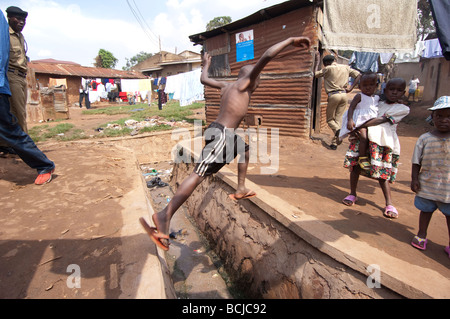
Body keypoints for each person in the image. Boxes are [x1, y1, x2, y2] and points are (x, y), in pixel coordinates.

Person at [140, 36, 311, 251]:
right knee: (197, 174)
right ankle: (164, 215)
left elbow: (204, 80)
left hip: (222, 134)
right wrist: (291, 40)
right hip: (221, 134)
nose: (258, 83)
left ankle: (240, 188)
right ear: (251, 77)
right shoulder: (244, 85)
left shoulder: (226, 86)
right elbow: (267, 56)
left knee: (245, 150)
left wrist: (206, 65)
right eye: (257, 79)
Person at [342, 78, 410, 219]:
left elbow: (381, 120)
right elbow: (360, 110)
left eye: (398, 90)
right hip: (364, 140)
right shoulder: (377, 102)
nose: (394, 92)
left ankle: (389, 203)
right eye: (391, 89)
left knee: (382, 173)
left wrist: (358, 127)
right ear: (385, 90)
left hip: (383, 143)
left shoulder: (403, 109)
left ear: (403, 93)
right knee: (355, 167)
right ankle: (353, 193)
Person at [0, 10, 55, 185]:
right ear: (10, 18)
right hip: (11, 77)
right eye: (18, 18)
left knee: (13, 120)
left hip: (14, 77)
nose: (21, 22)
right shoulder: (8, 32)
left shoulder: (15, 35)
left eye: (24, 19)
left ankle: (40, 162)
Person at [410, 96, 450, 258]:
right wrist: (414, 179)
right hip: (428, 185)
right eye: (439, 116)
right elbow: (416, 162)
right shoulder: (424, 139)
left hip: (447, 189)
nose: (444, 120)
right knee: (425, 211)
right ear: (432, 117)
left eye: (449, 116)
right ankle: (421, 234)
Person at [314, 53, 361, 150]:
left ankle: (338, 130)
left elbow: (315, 74)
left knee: (330, 119)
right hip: (344, 95)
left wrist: (316, 62)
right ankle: (335, 143)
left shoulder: (328, 68)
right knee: (338, 118)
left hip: (334, 95)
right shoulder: (346, 67)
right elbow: (359, 75)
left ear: (326, 63)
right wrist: (351, 88)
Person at [339, 72, 379, 170]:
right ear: (360, 87)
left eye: (371, 85)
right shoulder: (359, 96)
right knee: (363, 136)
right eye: (365, 85)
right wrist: (350, 120)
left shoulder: (377, 98)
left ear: (376, 86)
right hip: (359, 121)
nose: (368, 87)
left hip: (371, 123)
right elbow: (351, 108)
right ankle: (362, 157)